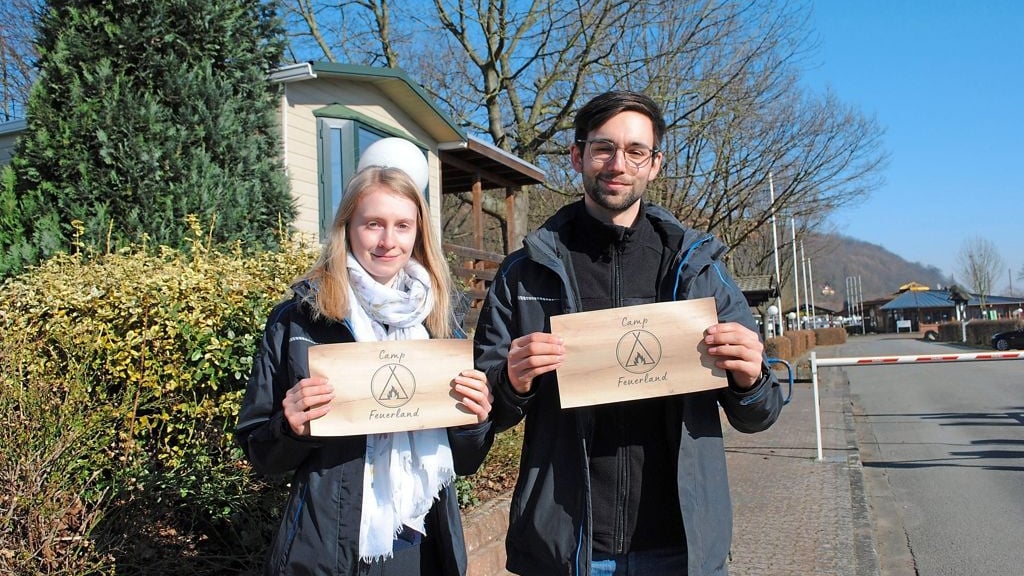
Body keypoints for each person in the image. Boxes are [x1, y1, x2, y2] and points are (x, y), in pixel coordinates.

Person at [473, 91, 783, 576]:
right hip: (565, 549)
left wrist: (750, 380)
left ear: (655, 164)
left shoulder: (698, 268)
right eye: (603, 148)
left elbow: (760, 414)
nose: (619, 163)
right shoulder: (525, 272)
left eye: (636, 151)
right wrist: (510, 383)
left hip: (681, 548)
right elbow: (481, 413)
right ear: (577, 156)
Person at [237, 145, 493, 575]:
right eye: (373, 224)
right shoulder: (300, 318)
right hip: (326, 542)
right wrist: (291, 427)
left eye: (402, 226)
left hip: (421, 544)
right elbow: (262, 454)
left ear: (419, 233)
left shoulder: (441, 320)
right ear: (348, 228)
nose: (388, 241)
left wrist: (475, 422)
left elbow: (466, 461)